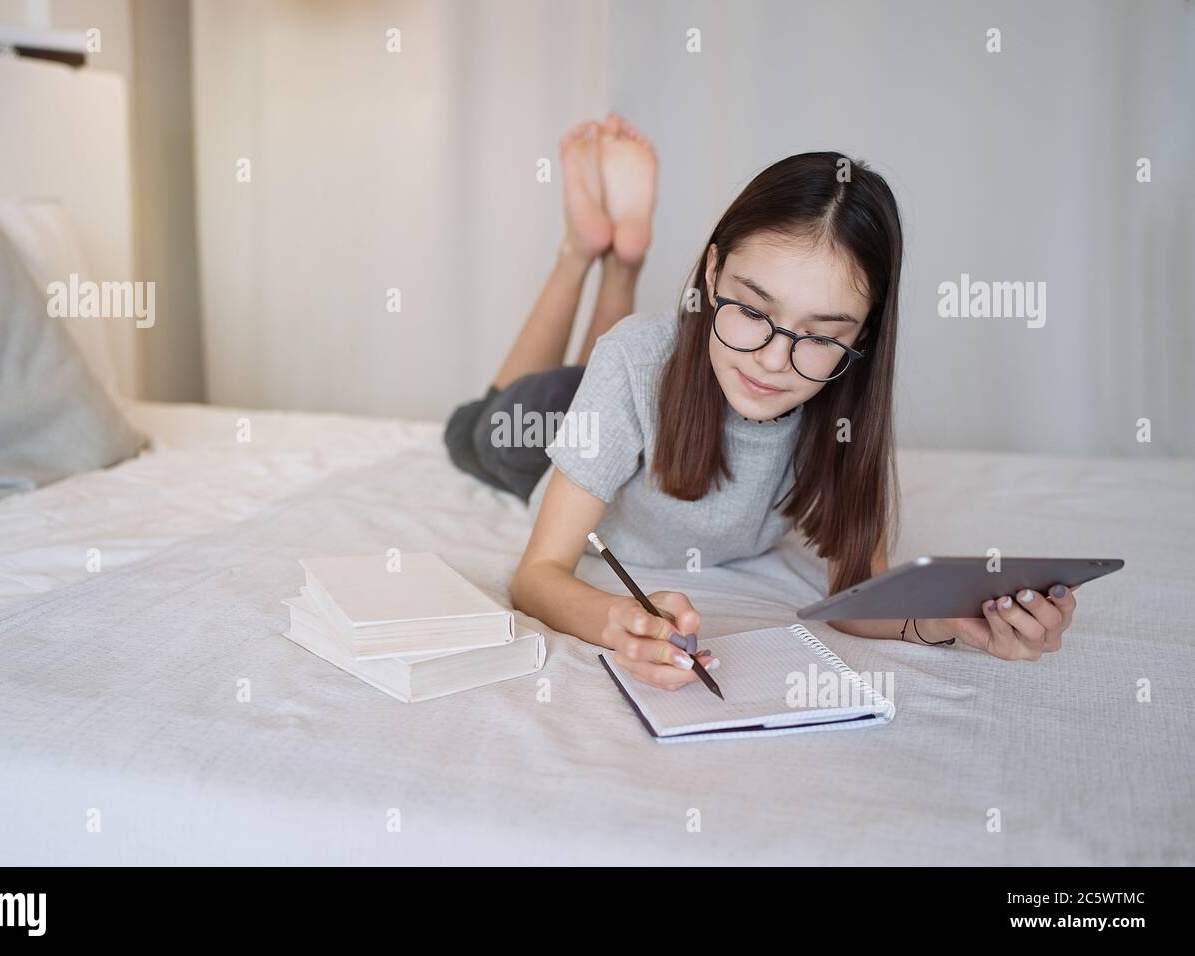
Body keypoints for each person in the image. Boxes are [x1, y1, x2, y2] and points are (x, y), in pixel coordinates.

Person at [445, 113, 1078, 691]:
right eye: (752, 310)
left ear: (864, 334)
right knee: (481, 421)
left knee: (609, 364)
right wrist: (619, 621)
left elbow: (858, 598)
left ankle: (620, 262)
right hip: (549, 421)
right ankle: (583, 253)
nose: (775, 361)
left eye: (824, 335)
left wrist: (957, 621)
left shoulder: (844, 411)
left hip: (632, 383)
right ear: (713, 274)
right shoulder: (638, 359)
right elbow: (536, 576)